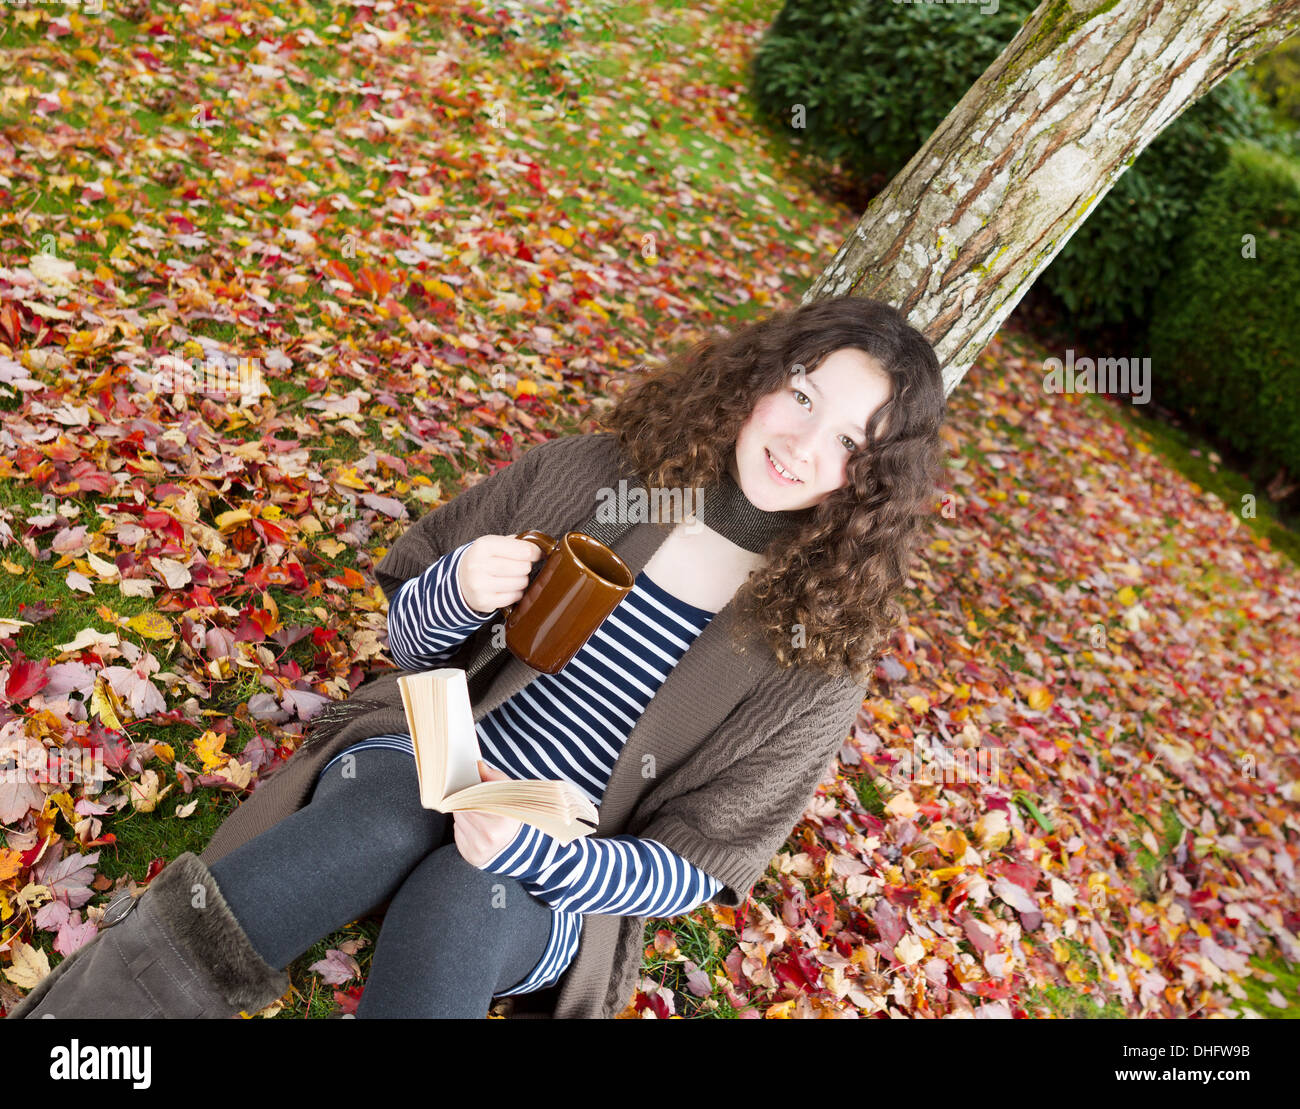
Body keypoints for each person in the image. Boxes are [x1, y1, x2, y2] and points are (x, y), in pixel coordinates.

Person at [6, 294, 947, 1020]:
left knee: (466, 894)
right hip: (430, 747)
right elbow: (412, 647)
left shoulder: (816, 655)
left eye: (849, 442)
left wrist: (555, 855)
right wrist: (454, 590)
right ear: (762, 378)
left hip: (564, 867)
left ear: (871, 479)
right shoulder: (596, 475)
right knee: (396, 808)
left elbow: (699, 867)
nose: (802, 443)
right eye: (803, 396)